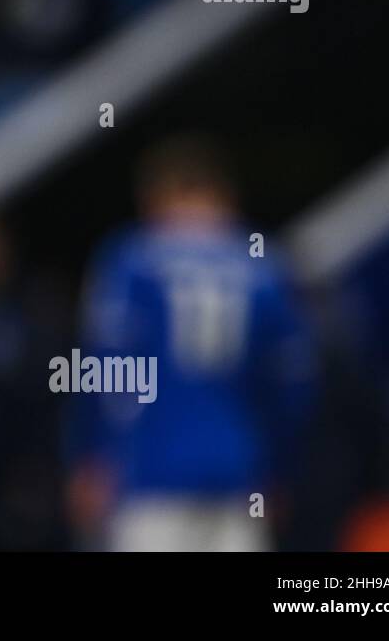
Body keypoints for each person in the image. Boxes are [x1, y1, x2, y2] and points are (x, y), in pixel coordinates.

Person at [67, 136, 317, 551]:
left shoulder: (132, 259)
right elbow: (294, 386)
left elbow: (109, 368)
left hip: (151, 474)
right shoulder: (264, 264)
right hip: (240, 472)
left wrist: (93, 454)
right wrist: (279, 468)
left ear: (155, 197)